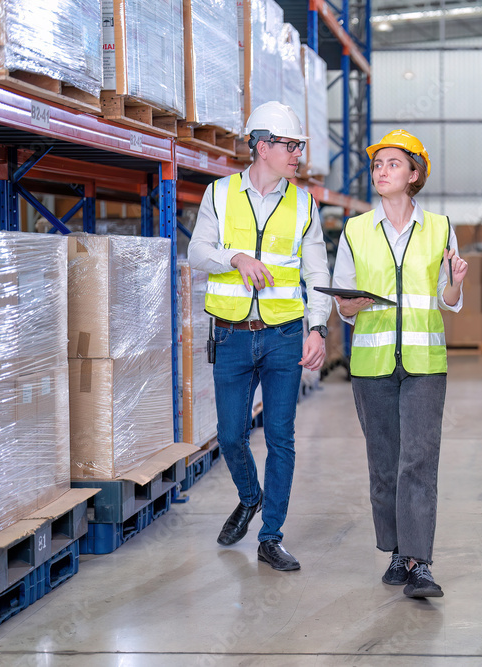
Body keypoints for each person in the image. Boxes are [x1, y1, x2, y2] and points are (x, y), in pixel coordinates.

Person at [188, 102, 330, 572]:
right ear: (262, 146)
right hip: (231, 334)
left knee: (280, 437)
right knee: (229, 435)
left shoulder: (305, 203)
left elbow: (317, 272)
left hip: (285, 335)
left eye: (300, 147)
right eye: (290, 146)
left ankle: (271, 536)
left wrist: (318, 328)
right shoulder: (220, 194)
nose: (297, 155)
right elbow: (197, 252)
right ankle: (250, 498)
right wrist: (235, 259)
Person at [332, 129, 467, 598]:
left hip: (425, 363)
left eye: (392, 163)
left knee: (419, 460)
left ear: (414, 174)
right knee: (385, 463)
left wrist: (455, 281)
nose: (382, 171)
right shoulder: (355, 229)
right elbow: (343, 308)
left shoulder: (440, 228)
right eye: (377, 164)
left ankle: (420, 562)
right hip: (371, 365)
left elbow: (450, 301)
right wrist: (356, 303)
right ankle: (395, 550)